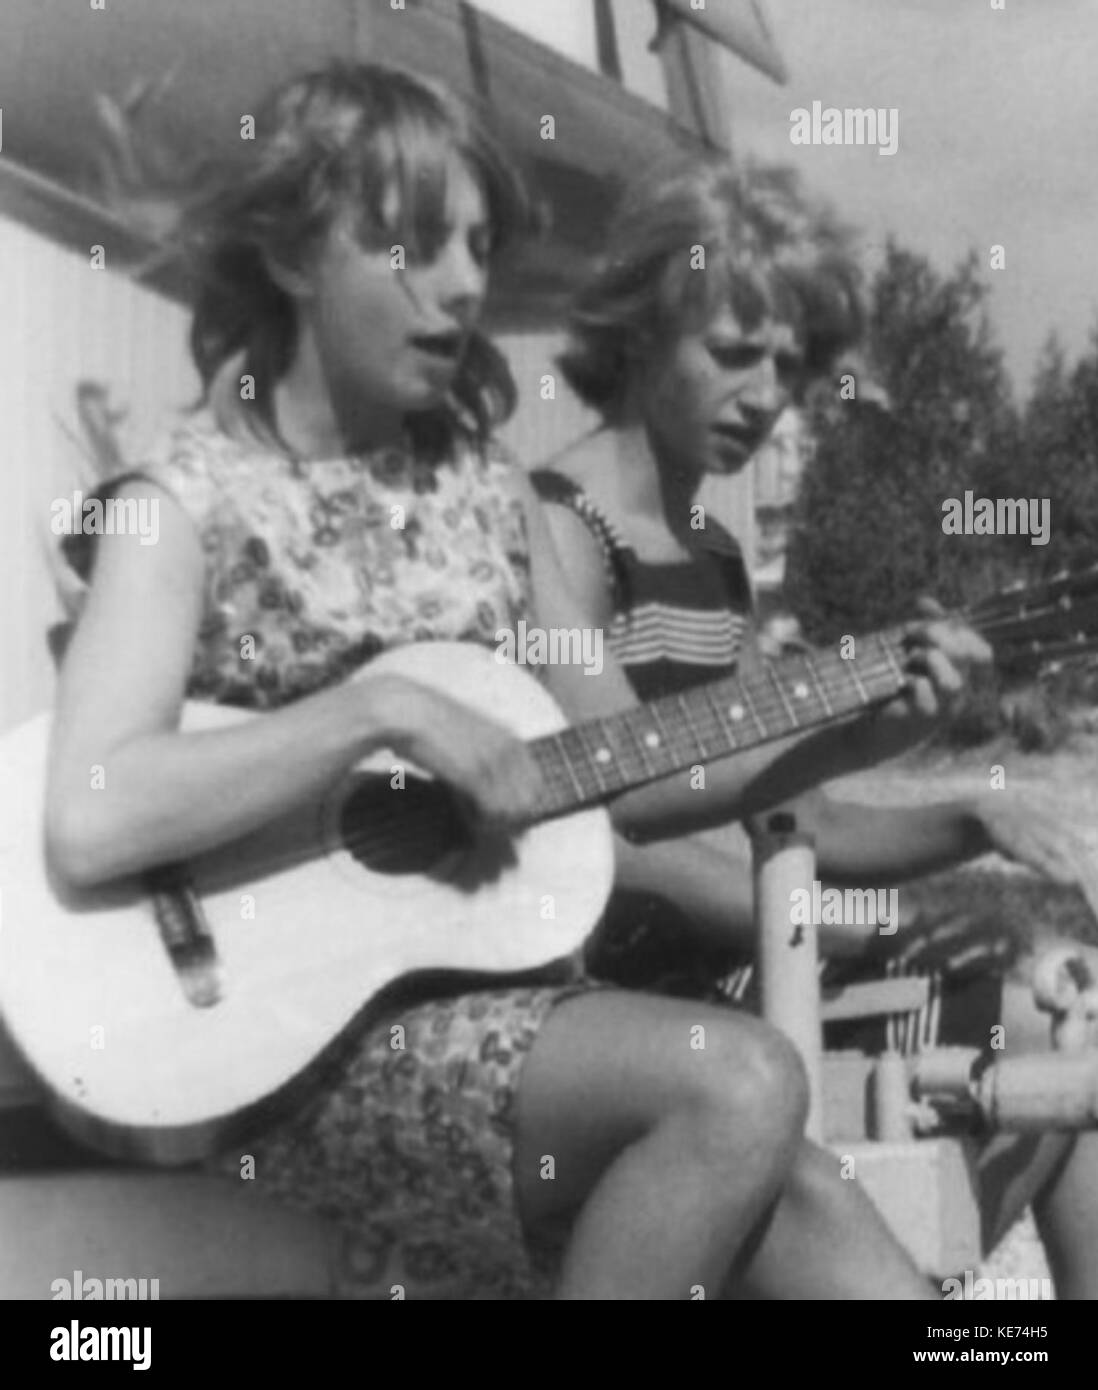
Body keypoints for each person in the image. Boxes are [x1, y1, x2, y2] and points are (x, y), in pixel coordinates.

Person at [46, 65, 984, 1300]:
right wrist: (379, 710)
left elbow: (630, 776)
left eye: (479, 248)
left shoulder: (485, 499)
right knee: (743, 1077)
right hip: (283, 1052)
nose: (464, 286)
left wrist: (854, 729)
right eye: (411, 245)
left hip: (502, 1024)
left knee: (835, 1233)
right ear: (288, 256)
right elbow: (93, 807)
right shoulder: (185, 506)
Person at [532, 156, 1098, 1298]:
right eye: (733, 352)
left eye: (788, 369)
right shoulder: (558, 528)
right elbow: (595, 820)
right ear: (642, 329)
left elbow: (794, 817)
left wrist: (976, 811)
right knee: (1015, 1030)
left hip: (746, 980)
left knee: (1065, 1019)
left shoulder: (714, 557)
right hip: (636, 1017)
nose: (764, 394)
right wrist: (808, 919)